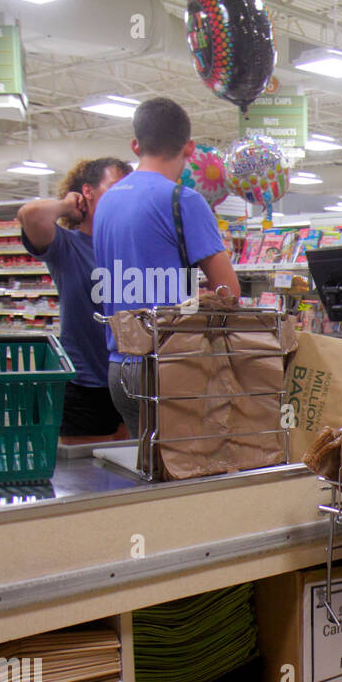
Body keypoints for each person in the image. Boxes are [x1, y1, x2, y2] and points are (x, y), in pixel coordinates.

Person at [92, 97, 240, 437]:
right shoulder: (183, 200)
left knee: (150, 476)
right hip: (172, 366)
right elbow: (229, 291)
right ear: (189, 148)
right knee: (188, 480)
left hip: (120, 368)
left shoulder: (106, 202)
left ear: (135, 144)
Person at [17, 157, 132, 443]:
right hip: (85, 385)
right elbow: (31, 215)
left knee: (133, 476)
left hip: (132, 382)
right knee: (88, 478)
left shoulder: (129, 246)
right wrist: (69, 205)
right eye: (115, 187)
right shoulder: (66, 246)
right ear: (87, 192)